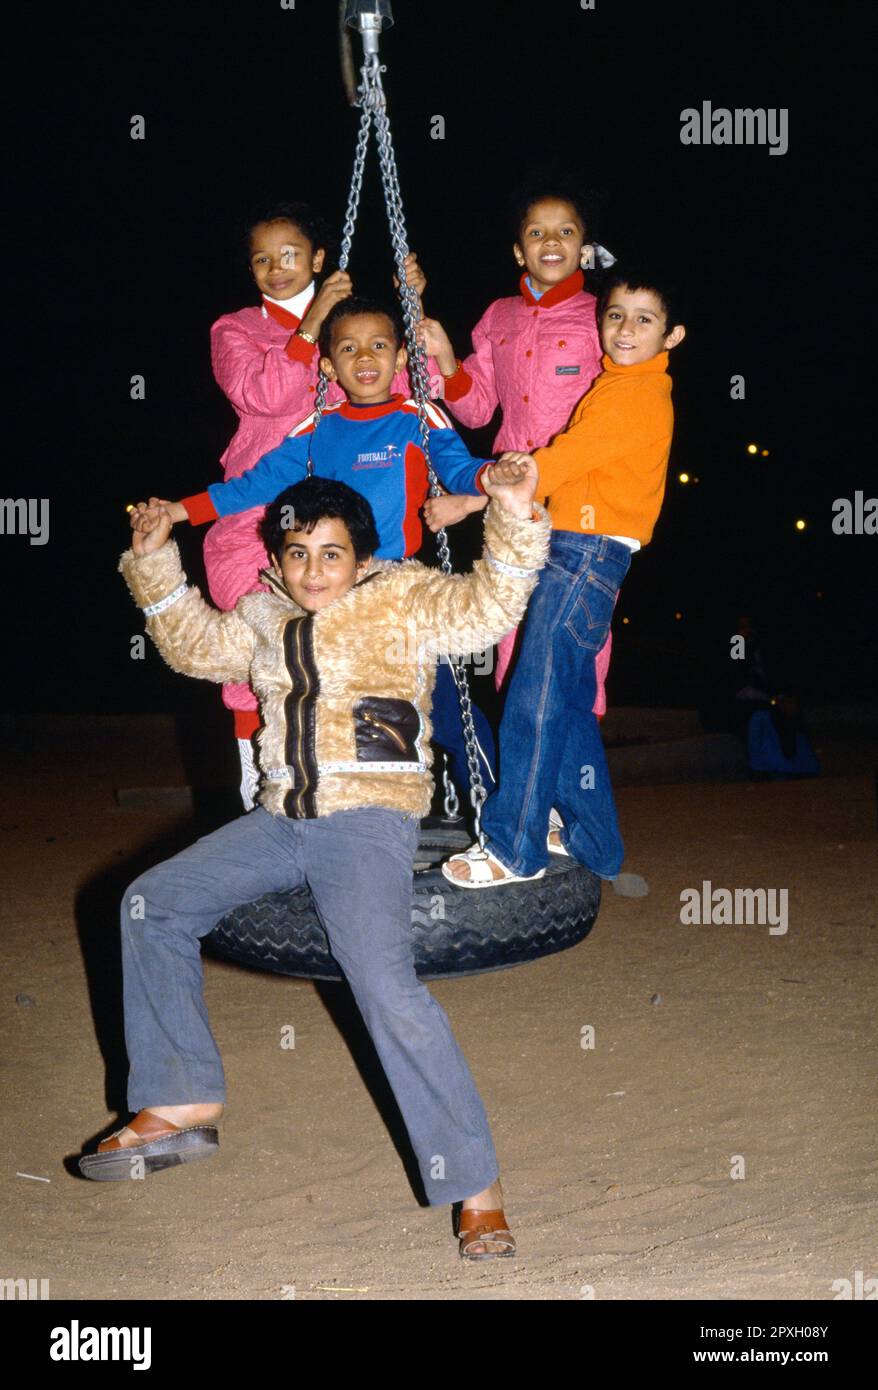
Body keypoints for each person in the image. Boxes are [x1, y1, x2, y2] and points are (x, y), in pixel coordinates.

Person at [80, 462, 551, 1263]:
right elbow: (195, 646)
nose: (312, 571)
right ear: (278, 559)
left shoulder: (402, 600)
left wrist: (509, 515)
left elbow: (490, 605)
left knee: (383, 984)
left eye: (331, 554)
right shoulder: (264, 615)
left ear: (363, 558)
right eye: (297, 554)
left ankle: (477, 1185)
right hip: (279, 819)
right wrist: (156, 557)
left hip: (366, 821)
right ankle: (180, 1094)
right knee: (149, 903)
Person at [144, 296, 498, 803]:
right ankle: (334, 815)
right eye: (349, 349)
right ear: (329, 367)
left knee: (446, 709)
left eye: (379, 346)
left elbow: (460, 468)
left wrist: (491, 477)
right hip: (328, 599)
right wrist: (179, 512)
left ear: (401, 359)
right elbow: (254, 484)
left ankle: (502, 814)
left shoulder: (419, 417)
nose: (366, 358)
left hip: (394, 597)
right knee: (335, 715)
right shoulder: (316, 428)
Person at [441, 266, 686, 887]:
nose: (626, 329)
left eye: (645, 319)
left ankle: (514, 847)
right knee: (570, 703)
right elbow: (569, 464)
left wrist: (484, 491)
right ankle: (597, 844)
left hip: (585, 553)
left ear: (673, 335)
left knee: (536, 693)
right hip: (578, 549)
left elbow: (560, 460)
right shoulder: (616, 385)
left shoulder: (635, 395)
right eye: (616, 315)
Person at [205, 202, 431, 808]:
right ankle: (261, 799)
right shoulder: (236, 330)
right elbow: (262, 393)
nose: (276, 268)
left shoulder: (352, 329)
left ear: (319, 258)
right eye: (262, 259)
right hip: (253, 521)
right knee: (258, 660)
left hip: (339, 528)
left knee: (356, 659)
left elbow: (407, 398)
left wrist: (416, 310)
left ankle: (361, 805)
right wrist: (311, 328)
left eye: (290, 255)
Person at [415, 181, 615, 708]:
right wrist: (446, 358)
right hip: (510, 505)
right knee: (512, 626)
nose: (552, 242)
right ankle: (523, 772)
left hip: (580, 502)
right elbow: (477, 408)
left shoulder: (602, 320)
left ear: (584, 247)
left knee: (575, 629)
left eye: (566, 231)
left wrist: (469, 500)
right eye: (537, 232)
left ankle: (573, 761)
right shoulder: (498, 316)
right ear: (519, 250)